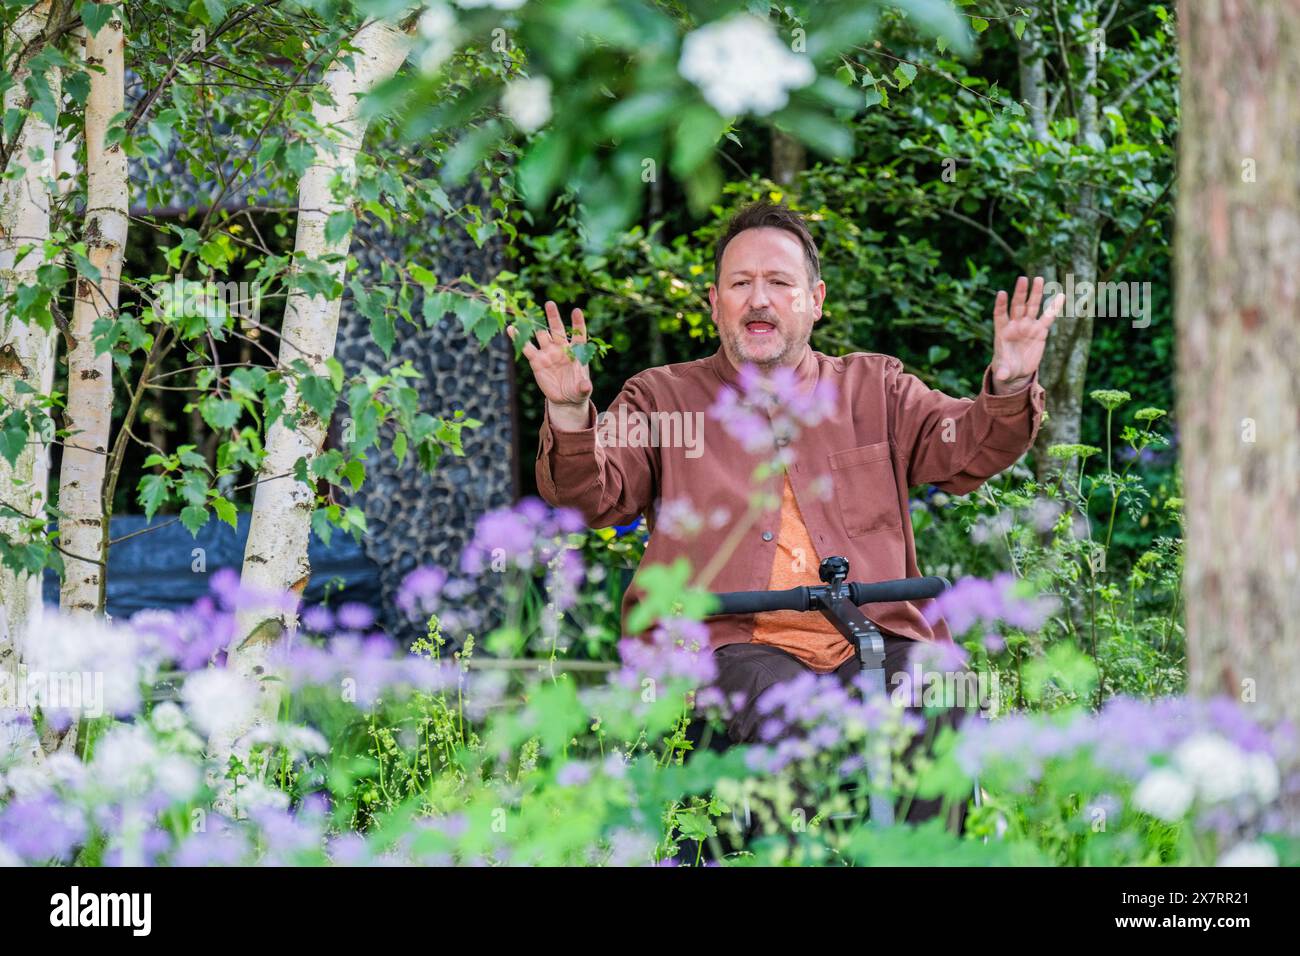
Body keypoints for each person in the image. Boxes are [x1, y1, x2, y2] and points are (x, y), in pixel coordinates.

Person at [509, 201, 1059, 825]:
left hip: (875, 636)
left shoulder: (873, 388)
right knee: (786, 714)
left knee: (941, 692)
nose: (759, 300)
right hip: (728, 646)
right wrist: (569, 415)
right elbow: (589, 497)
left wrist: (1011, 384)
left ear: (815, 299)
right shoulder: (663, 399)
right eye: (741, 284)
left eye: (779, 283)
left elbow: (966, 447)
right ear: (715, 302)